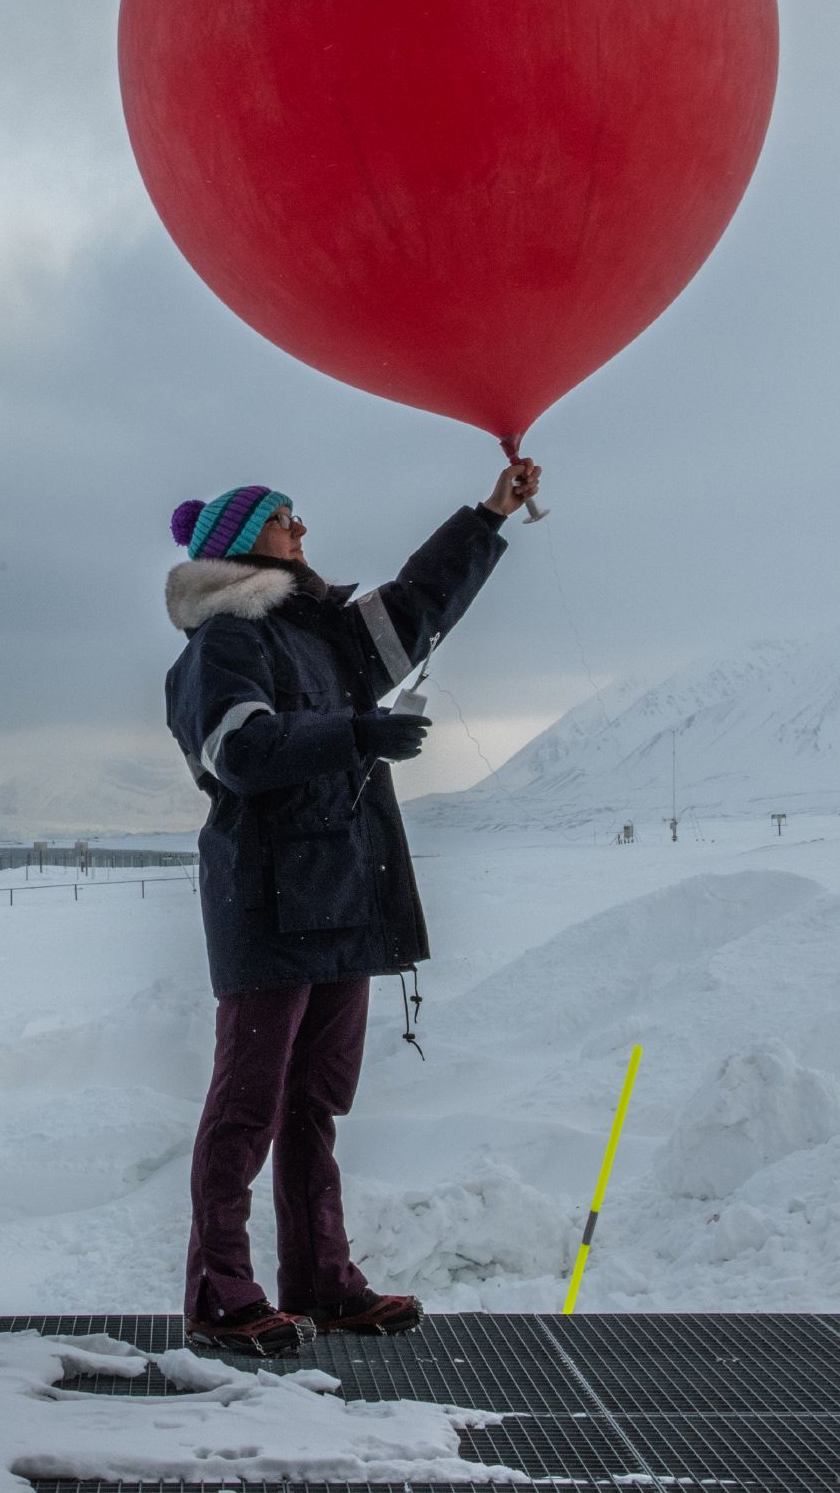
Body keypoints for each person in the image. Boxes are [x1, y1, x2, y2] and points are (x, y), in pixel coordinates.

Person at [161, 459, 541, 1356]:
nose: (302, 528)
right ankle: (221, 1295)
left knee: (314, 1103)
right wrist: (356, 731)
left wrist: (489, 514)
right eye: (285, 517)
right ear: (238, 540)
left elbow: (419, 602)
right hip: (264, 903)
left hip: (338, 897)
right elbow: (241, 750)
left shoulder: (328, 634)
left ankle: (320, 1284)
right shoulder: (222, 641)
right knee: (247, 1107)